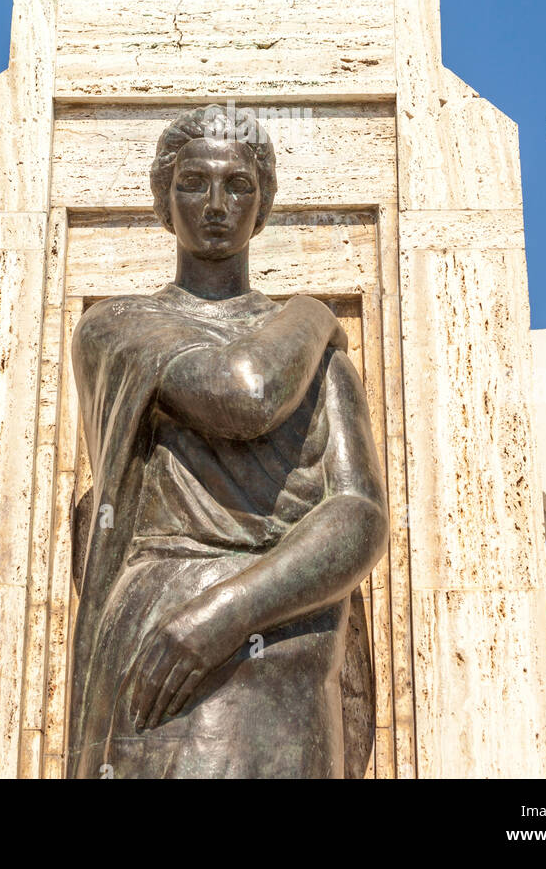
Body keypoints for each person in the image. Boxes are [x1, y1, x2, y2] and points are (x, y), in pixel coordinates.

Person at [68, 104, 388, 779]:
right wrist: (314, 310)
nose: (215, 204)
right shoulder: (120, 327)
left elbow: (358, 514)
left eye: (238, 184)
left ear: (262, 205)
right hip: (169, 629)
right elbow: (243, 394)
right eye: (192, 182)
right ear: (163, 200)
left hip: (290, 635)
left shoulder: (323, 360)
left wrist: (234, 610)